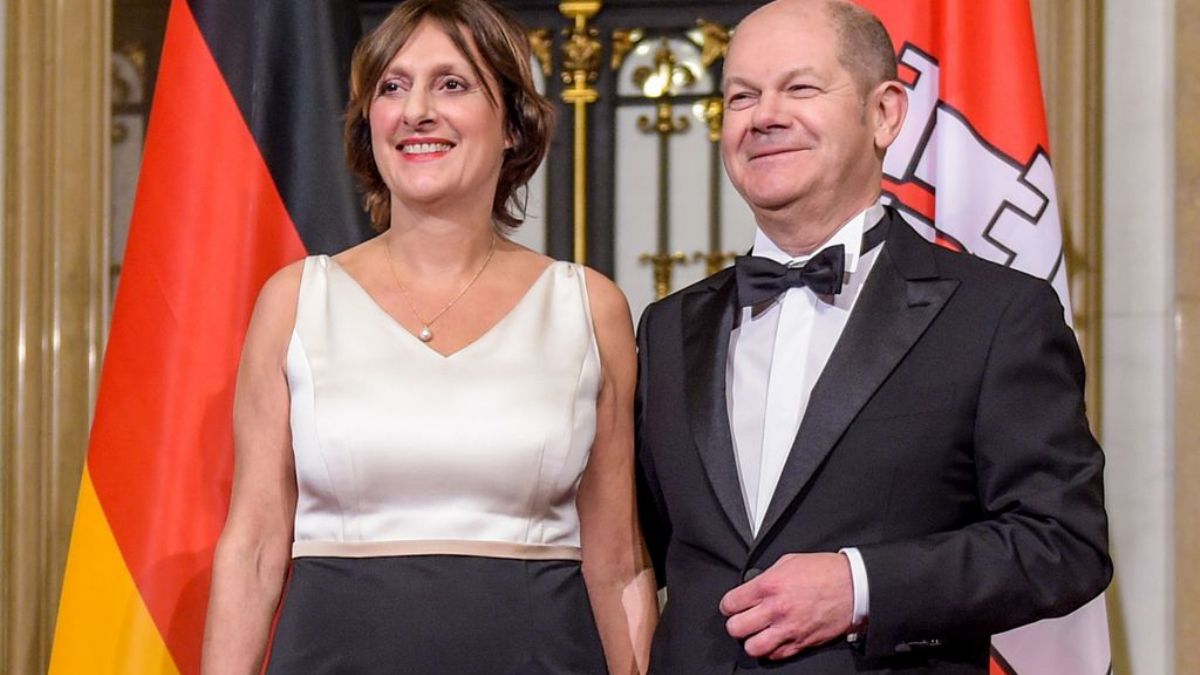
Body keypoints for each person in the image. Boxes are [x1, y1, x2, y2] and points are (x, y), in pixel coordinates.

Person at [633, 0, 1111, 672]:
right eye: (742, 95)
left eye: (800, 87)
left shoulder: (997, 315)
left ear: (885, 112)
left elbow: (1064, 543)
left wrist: (861, 585)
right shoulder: (667, 327)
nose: (764, 115)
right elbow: (630, 551)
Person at [201, 1, 657, 672]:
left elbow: (617, 563)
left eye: (451, 83)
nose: (416, 110)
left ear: (513, 124)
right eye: (393, 86)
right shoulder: (295, 300)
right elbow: (254, 548)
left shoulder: (589, 307)